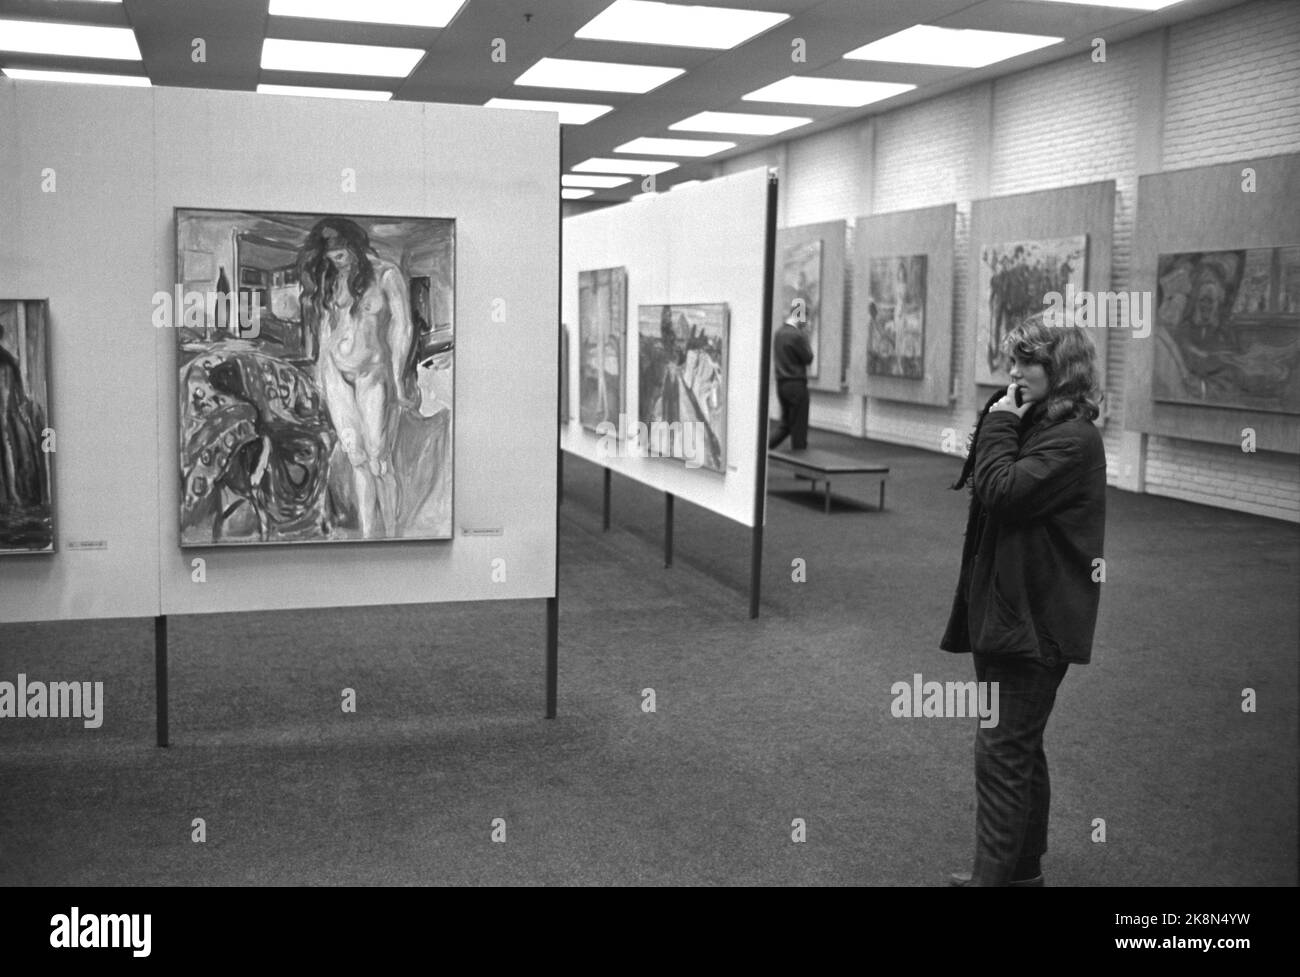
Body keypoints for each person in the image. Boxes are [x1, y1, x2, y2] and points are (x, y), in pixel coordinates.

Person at [941, 313, 1107, 887]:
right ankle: (1022, 875)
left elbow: (1002, 490)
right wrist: (999, 427)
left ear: (1058, 370)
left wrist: (997, 429)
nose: (1013, 373)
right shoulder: (1036, 423)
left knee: (1002, 753)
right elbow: (988, 479)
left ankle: (994, 881)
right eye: (1011, 361)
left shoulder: (1073, 439)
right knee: (1020, 746)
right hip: (1012, 611)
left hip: (1035, 624)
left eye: (1024, 363)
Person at [298, 217, 419, 539]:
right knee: (357, 457)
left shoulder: (387, 274)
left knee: (380, 459)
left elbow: (402, 326)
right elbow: (326, 328)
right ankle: (368, 535)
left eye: (340, 254)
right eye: (330, 256)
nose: (335, 261)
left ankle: (392, 534)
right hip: (337, 374)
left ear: (355, 245)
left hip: (373, 373)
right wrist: (320, 373)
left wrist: (398, 374)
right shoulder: (332, 279)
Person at [768, 299, 814, 450]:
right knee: (799, 430)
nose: (806, 321)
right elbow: (808, 358)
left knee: (786, 425)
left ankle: (762, 450)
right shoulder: (797, 335)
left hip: (782, 385)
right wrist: (806, 336)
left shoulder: (779, 333)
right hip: (797, 386)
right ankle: (802, 472)